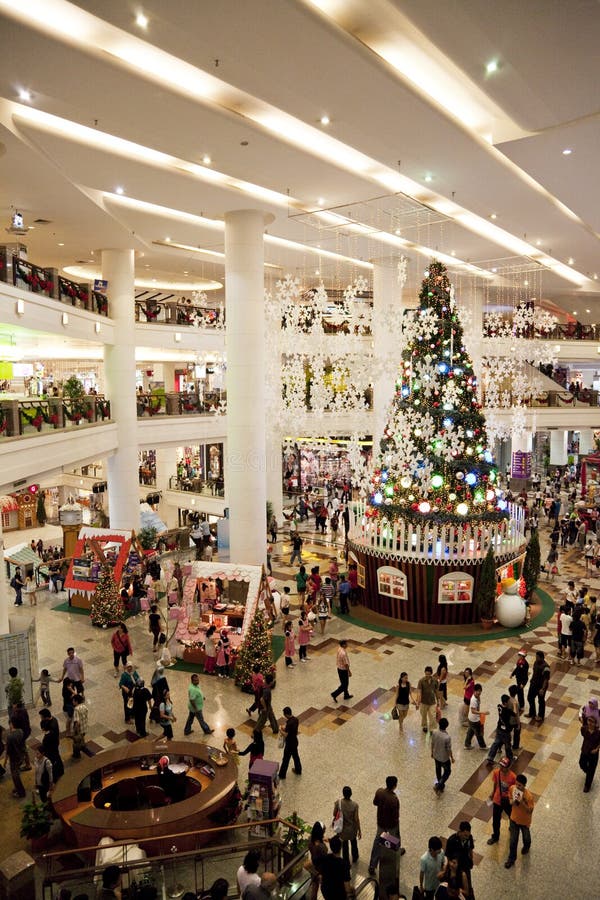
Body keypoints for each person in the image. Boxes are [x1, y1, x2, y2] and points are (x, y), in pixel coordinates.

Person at [368, 775, 404, 876]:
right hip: (391, 825)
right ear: (395, 786)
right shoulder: (394, 799)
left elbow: (375, 803)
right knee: (395, 840)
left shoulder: (379, 792)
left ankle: (372, 865)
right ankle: (395, 857)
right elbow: (396, 816)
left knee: (377, 842)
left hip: (380, 822)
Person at [504, 774, 535, 868]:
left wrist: (522, 802)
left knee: (527, 839)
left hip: (525, 821)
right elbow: (509, 799)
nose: (517, 786)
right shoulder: (512, 788)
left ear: (524, 786)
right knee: (513, 841)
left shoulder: (529, 796)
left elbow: (530, 810)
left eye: (520, 785)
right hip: (514, 819)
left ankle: (526, 847)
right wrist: (512, 802)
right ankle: (511, 859)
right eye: (516, 784)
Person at [486, 756, 516, 844]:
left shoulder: (513, 777)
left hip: (508, 801)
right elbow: (496, 784)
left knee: (512, 816)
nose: (501, 768)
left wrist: (513, 800)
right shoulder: (496, 773)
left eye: (504, 766)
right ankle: (495, 836)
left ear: (508, 767)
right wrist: (493, 793)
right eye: (501, 765)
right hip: (497, 799)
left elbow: (514, 789)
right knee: (495, 820)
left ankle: (512, 827)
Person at [315, 835, 351, 900]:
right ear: (341, 847)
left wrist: (318, 875)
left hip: (326, 891)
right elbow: (347, 888)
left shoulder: (325, 858)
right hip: (339, 895)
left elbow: (307, 865)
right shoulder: (344, 864)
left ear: (331, 847)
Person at [332, 785, 361, 867]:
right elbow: (356, 819)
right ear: (351, 794)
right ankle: (355, 857)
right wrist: (359, 830)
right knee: (354, 843)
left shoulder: (338, 802)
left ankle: (346, 862)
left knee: (345, 846)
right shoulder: (355, 805)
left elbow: (334, 814)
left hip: (342, 830)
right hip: (352, 830)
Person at [445, 822, 474, 898]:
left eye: (468, 835)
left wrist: (471, 859)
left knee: (468, 886)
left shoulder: (469, 838)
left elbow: (470, 849)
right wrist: (450, 867)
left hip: (466, 865)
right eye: (465, 835)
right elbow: (448, 856)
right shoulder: (451, 840)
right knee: (454, 887)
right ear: (460, 831)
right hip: (455, 867)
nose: (466, 837)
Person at [486, 695, 514, 764]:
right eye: (508, 701)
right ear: (506, 703)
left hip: (499, 728)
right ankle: (510, 758)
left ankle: (490, 757)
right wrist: (515, 706)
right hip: (506, 731)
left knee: (496, 742)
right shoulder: (507, 711)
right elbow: (515, 714)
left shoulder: (499, 706)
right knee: (507, 744)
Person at [3, 718, 27, 798]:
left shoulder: (10, 736)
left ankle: (21, 792)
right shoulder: (20, 731)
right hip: (21, 755)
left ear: (11, 724)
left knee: (15, 775)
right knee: (17, 772)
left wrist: (5, 761)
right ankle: (18, 788)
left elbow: (8, 751)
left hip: (14, 758)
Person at [526, 650, 550, 723]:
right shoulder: (536, 662)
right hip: (533, 684)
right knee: (530, 698)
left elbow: (546, 679)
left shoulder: (546, 667)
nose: (536, 658)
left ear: (541, 658)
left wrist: (543, 689)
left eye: (537, 657)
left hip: (541, 686)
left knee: (541, 701)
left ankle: (540, 716)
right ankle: (532, 713)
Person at [431, 717, 454, 793]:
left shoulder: (434, 732)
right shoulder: (447, 737)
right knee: (447, 771)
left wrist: (432, 752)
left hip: (436, 755)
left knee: (438, 770)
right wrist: (452, 757)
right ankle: (439, 785)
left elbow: (432, 743)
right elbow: (448, 749)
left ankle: (440, 786)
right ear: (447, 726)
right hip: (444, 758)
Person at [578, 715, 600, 792]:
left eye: (592, 722)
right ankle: (589, 773)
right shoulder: (584, 729)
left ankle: (587, 785)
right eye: (589, 721)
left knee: (592, 768)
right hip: (585, 750)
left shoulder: (598, 732)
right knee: (581, 763)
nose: (590, 723)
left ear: (595, 723)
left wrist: (597, 749)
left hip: (593, 753)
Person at [279, 706, 301, 778]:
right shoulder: (295, 720)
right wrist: (285, 728)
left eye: (284, 714)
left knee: (285, 759)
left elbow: (286, 735)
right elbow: (293, 731)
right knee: (296, 757)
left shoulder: (289, 723)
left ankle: (282, 775)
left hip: (289, 744)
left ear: (286, 714)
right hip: (295, 742)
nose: (284, 716)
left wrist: (281, 730)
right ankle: (298, 770)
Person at [416, 666, 439, 734]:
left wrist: (438, 700)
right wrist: (418, 702)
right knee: (423, 715)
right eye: (426, 674)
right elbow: (419, 692)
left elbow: (436, 691)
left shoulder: (435, 681)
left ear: (431, 673)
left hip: (432, 701)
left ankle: (432, 728)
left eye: (429, 674)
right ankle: (424, 726)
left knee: (433, 715)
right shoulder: (421, 681)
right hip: (423, 702)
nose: (427, 675)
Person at [464, 684, 487, 749]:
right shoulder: (473, 700)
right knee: (479, 733)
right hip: (474, 719)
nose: (479, 693)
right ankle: (482, 746)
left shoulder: (477, 697)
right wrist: (482, 713)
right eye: (478, 691)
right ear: (474, 691)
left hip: (471, 718)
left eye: (480, 691)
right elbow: (473, 711)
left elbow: (477, 707)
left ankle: (467, 744)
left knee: (470, 731)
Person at [71, 693, 88, 758]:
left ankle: (76, 755)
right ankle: (83, 746)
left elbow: (77, 722)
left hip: (79, 730)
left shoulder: (76, 709)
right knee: (81, 739)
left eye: (73, 700)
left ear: (76, 701)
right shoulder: (84, 706)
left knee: (76, 744)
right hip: (84, 728)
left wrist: (75, 731)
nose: (72, 702)